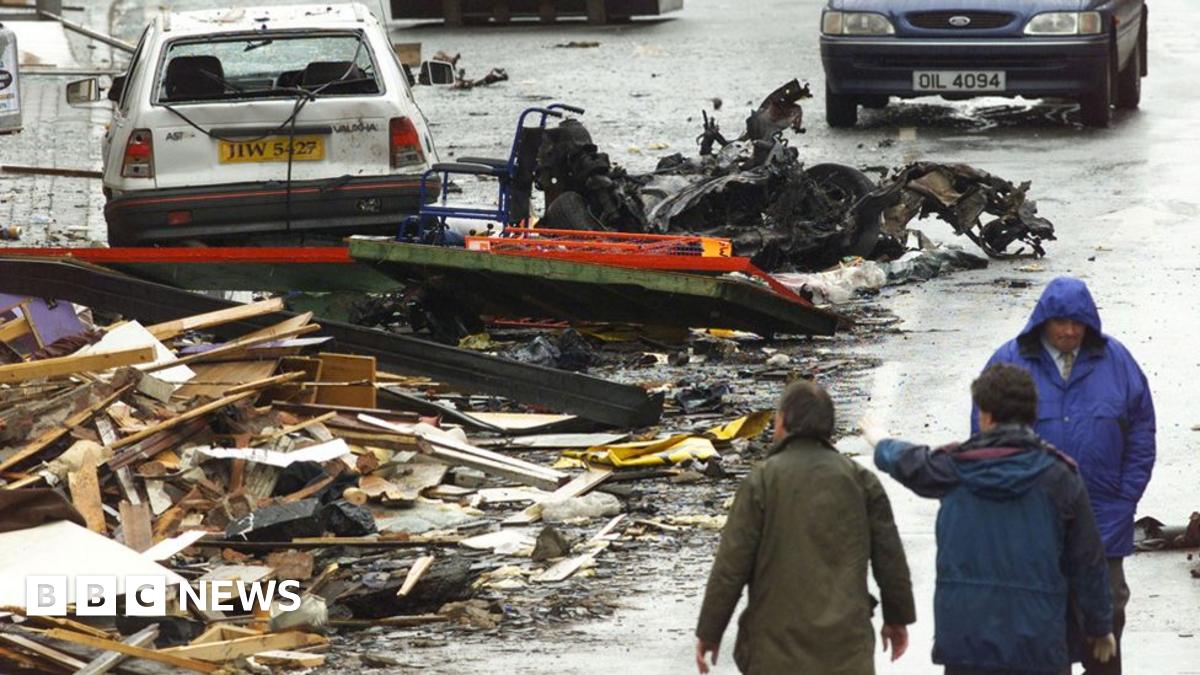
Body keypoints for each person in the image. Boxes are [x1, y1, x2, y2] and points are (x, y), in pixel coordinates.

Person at [865, 363, 1115, 675]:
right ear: (1032, 415)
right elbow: (1088, 562)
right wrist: (1099, 625)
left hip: (967, 641)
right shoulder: (1060, 477)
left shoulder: (952, 469)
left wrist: (880, 441)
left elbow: (908, 461)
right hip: (1039, 642)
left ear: (985, 415)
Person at [977, 276, 1155, 674]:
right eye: (1061, 322)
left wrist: (1126, 496)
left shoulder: (1118, 362)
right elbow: (984, 438)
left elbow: (1142, 431)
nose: (1070, 331)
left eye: (1078, 323)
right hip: (1032, 522)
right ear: (1043, 321)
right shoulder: (1010, 362)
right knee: (1041, 624)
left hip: (1104, 516)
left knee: (1106, 614)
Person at [694, 380, 915, 674]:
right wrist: (896, 617)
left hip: (774, 650)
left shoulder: (761, 482)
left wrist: (710, 632)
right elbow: (890, 560)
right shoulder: (861, 481)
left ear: (782, 421)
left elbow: (731, 566)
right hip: (846, 649)